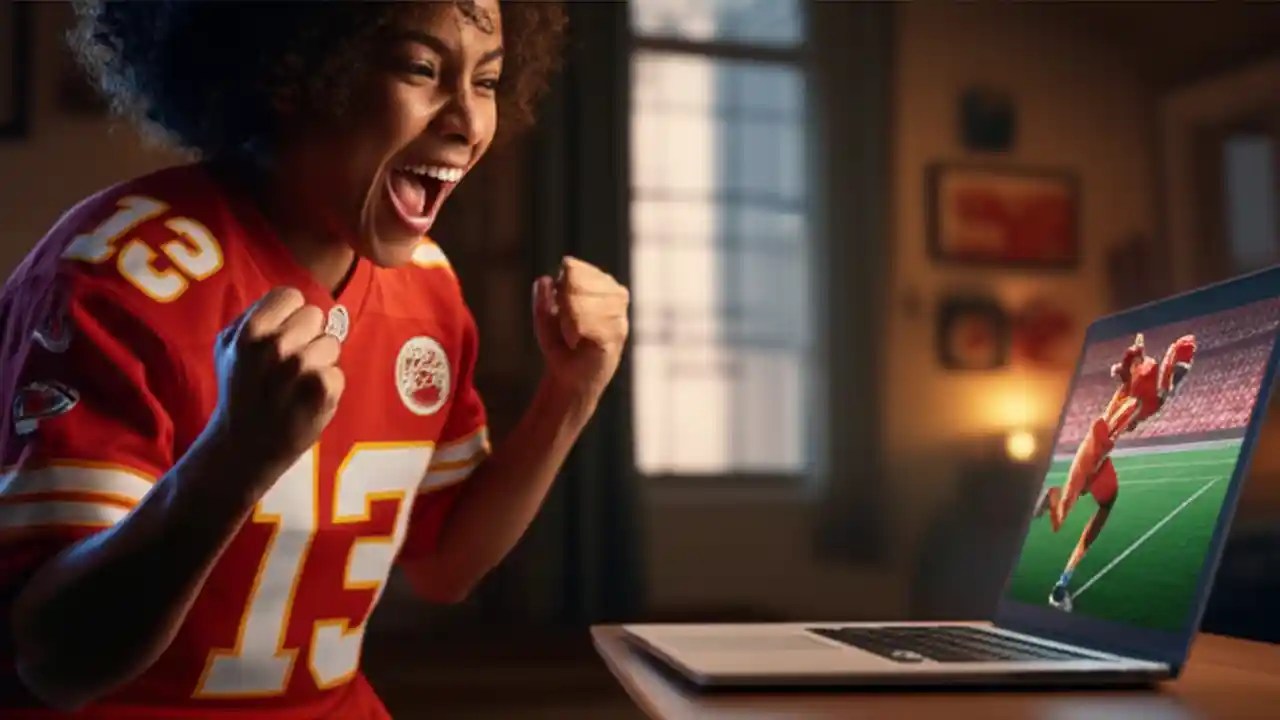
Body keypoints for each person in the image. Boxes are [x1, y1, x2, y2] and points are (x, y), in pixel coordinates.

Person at [0, 1, 629, 717]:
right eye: (421, 69)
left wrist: (571, 394)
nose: (469, 124)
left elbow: (446, 565)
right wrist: (235, 457)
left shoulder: (427, 284)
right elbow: (56, 661)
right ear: (291, 70)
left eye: (486, 81)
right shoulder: (115, 277)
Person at [1033, 332, 1197, 611]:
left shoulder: (1137, 391)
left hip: (1099, 454)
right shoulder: (1138, 397)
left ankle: (1063, 582)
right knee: (1062, 515)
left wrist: (1141, 353)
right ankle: (1051, 501)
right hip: (1093, 453)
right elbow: (1144, 385)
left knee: (1107, 503)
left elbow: (1142, 369)